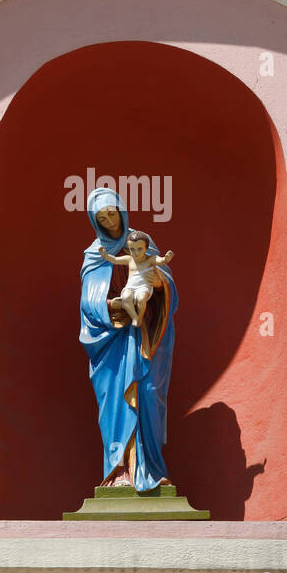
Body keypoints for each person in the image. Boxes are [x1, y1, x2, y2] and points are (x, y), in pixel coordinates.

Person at [79, 187, 177, 490]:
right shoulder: (95, 255)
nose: (109, 221)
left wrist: (159, 283)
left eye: (112, 214)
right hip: (112, 344)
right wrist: (111, 307)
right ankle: (119, 471)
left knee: (147, 394)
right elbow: (87, 302)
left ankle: (149, 468)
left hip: (143, 337)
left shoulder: (141, 244)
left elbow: (166, 284)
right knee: (114, 402)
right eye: (102, 217)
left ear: (121, 211)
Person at [96, 230, 175, 328]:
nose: (136, 253)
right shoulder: (129, 259)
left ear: (146, 248)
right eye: (132, 249)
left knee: (141, 299)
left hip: (143, 288)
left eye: (139, 249)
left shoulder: (150, 259)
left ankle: (140, 317)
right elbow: (115, 260)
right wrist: (106, 256)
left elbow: (160, 260)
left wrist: (165, 259)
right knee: (126, 297)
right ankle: (135, 317)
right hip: (130, 287)